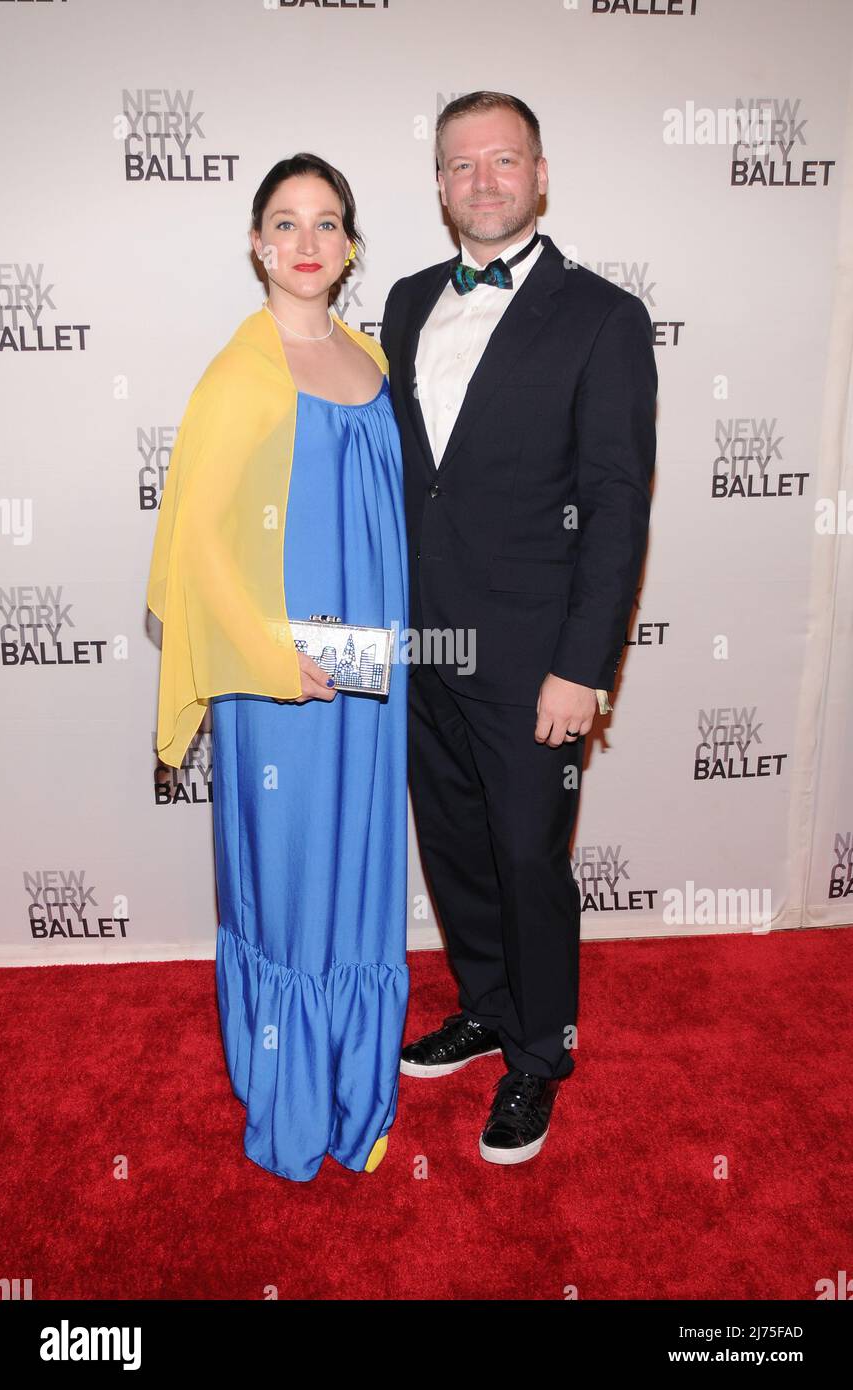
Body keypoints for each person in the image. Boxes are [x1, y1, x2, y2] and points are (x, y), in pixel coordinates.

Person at [381, 92, 657, 1165]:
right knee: (453, 847)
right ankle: (488, 1004)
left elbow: (616, 504)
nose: (482, 180)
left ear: (540, 176)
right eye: (461, 163)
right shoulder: (403, 303)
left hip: (533, 658)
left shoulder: (601, 316)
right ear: (440, 185)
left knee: (527, 857)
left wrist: (579, 669)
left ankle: (539, 1055)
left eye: (504, 160)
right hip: (423, 648)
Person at [146, 154, 410, 1182]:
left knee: (362, 874)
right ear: (256, 243)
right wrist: (267, 653)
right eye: (286, 222)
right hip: (284, 678)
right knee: (295, 882)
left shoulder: (369, 360)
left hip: (367, 670)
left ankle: (358, 1086)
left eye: (327, 222)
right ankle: (295, 1098)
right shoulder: (238, 373)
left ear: (347, 247)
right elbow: (194, 542)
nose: (307, 241)